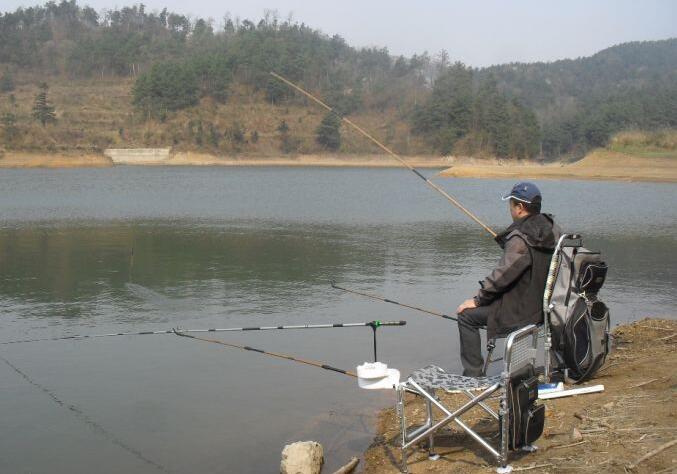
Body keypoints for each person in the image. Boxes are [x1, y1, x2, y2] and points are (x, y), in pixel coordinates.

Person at [455, 182, 561, 376]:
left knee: (466, 317)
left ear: (519, 208)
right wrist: (509, 244)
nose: (510, 209)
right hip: (544, 307)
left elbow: (501, 278)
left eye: (511, 204)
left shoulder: (520, 239)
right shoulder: (552, 229)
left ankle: (473, 376)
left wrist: (477, 299)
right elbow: (526, 257)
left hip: (521, 311)